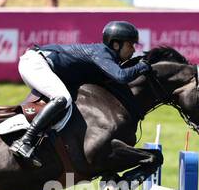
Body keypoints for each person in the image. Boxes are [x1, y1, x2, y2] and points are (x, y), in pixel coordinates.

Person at [9, 20, 149, 166]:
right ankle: (25, 141)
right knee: (62, 98)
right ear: (116, 44)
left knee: (65, 101)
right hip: (35, 63)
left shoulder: (106, 56)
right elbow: (121, 76)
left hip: (40, 64)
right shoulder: (102, 53)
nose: (133, 50)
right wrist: (142, 67)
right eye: (130, 44)